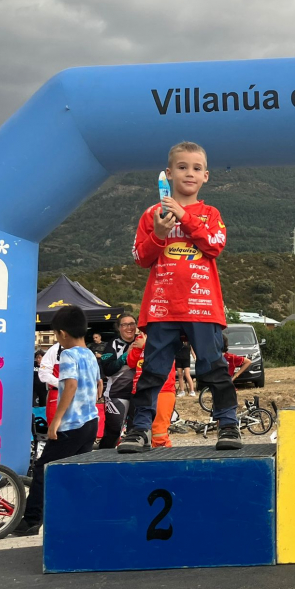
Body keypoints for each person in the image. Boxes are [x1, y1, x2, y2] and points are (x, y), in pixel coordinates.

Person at [125, 141, 240, 452]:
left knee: (214, 367)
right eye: (182, 167)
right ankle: (139, 430)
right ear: (168, 173)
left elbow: (215, 245)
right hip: (162, 307)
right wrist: (160, 234)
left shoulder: (210, 213)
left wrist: (185, 218)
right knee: (152, 371)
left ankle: (228, 425)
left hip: (202, 306)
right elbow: (140, 258)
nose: (189, 173)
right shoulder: (152, 214)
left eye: (196, 168)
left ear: (206, 176)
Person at [13, 305, 101, 536]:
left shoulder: (69, 354)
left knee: (43, 468)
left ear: (62, 333)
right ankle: (77, 518)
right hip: (91, 421)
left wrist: (56, 421)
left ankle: (31, 520)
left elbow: (70, 385)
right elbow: (99, 384)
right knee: (74, 471)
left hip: (72, 424)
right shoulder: (90, 354)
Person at [126, 332, 177, 448]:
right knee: (140, 432)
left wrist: (145, 346)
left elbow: (165, 357)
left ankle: (164, 457)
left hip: (163, 390)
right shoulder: (140, 339)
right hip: (141, 390)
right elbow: (131, 363)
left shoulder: (165, 336)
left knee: (159, 433)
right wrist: (138, 349)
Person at [98, 313, 138, 449]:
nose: (129, 328)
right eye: (124, 325)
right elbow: (107, 369)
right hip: (117, 393)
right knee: (113, 431)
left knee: (135, 432)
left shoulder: (142, 340)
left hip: (138, 393)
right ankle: (103, 457)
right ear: (119, 328)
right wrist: (126, 356)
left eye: (132, 324)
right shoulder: (113, 344)